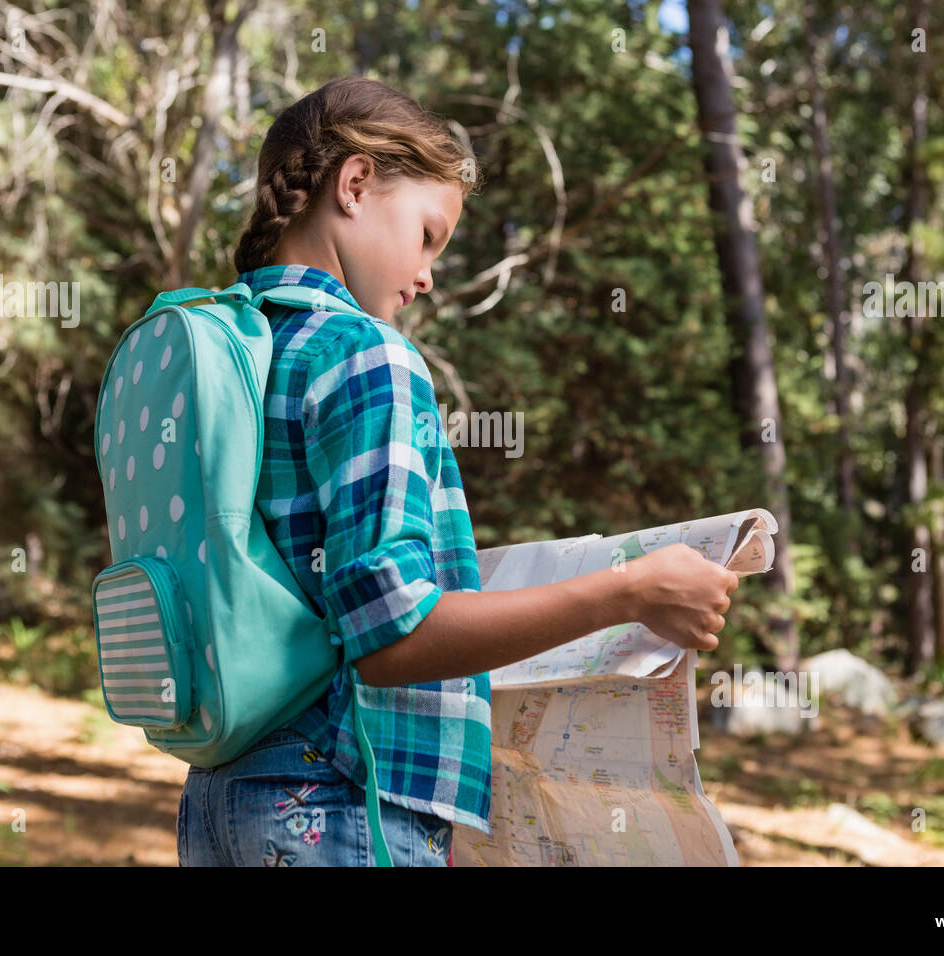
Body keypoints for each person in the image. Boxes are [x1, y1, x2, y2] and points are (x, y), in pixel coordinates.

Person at [177, 75, 738, 867]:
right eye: (430, 234)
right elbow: (394, 637)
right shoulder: (368, 355)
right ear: (357, 182)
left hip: (221, 798)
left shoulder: (237, 347)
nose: (428, 274)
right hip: (341, 803)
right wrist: (630, 591)